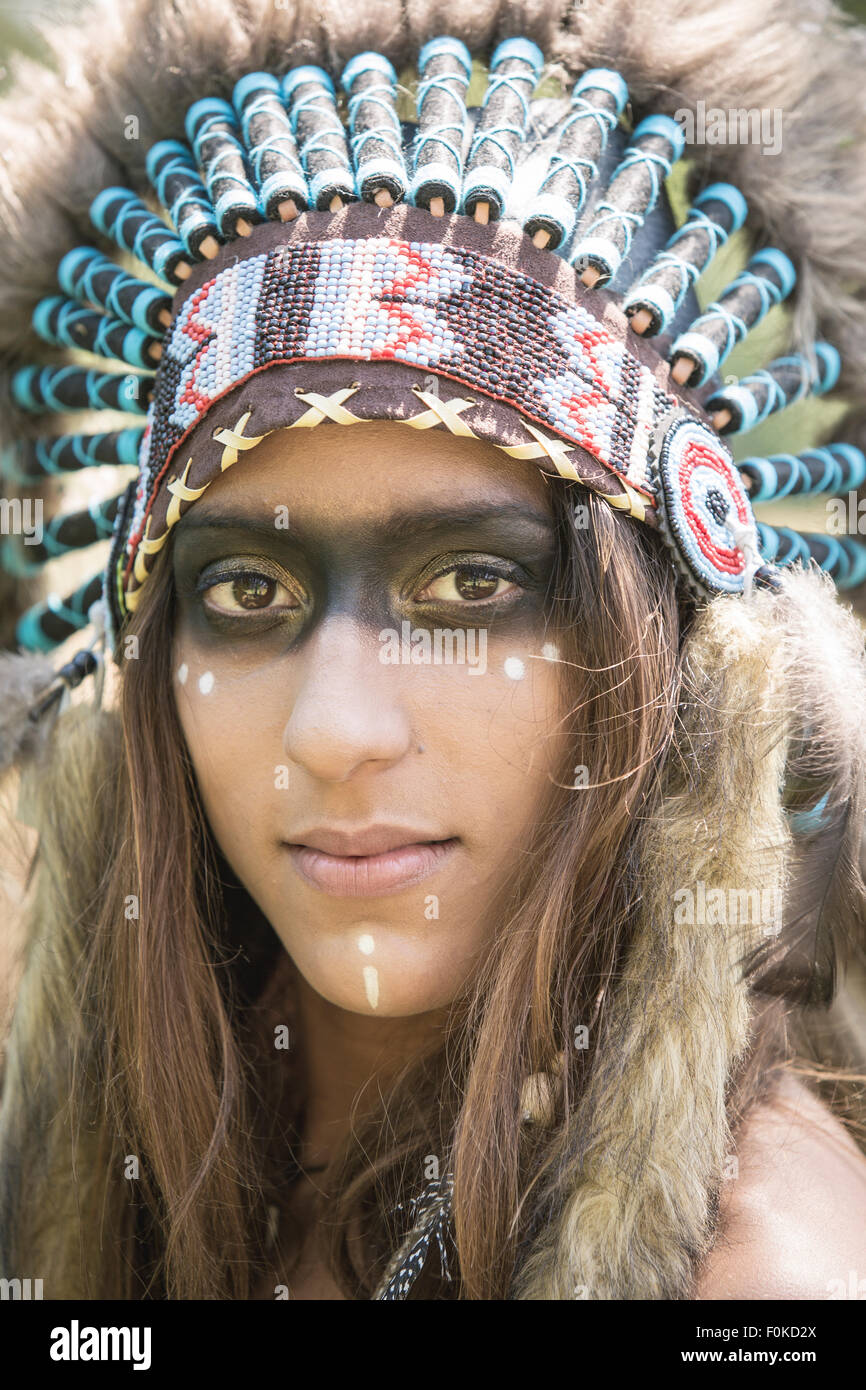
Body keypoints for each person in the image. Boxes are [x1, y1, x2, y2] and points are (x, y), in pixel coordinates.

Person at [1, 0, 866, 1301]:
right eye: (245, 587)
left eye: (469, 581)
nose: (336, 728)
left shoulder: (758, 1278)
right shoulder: (84, 1159)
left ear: (669, 668)